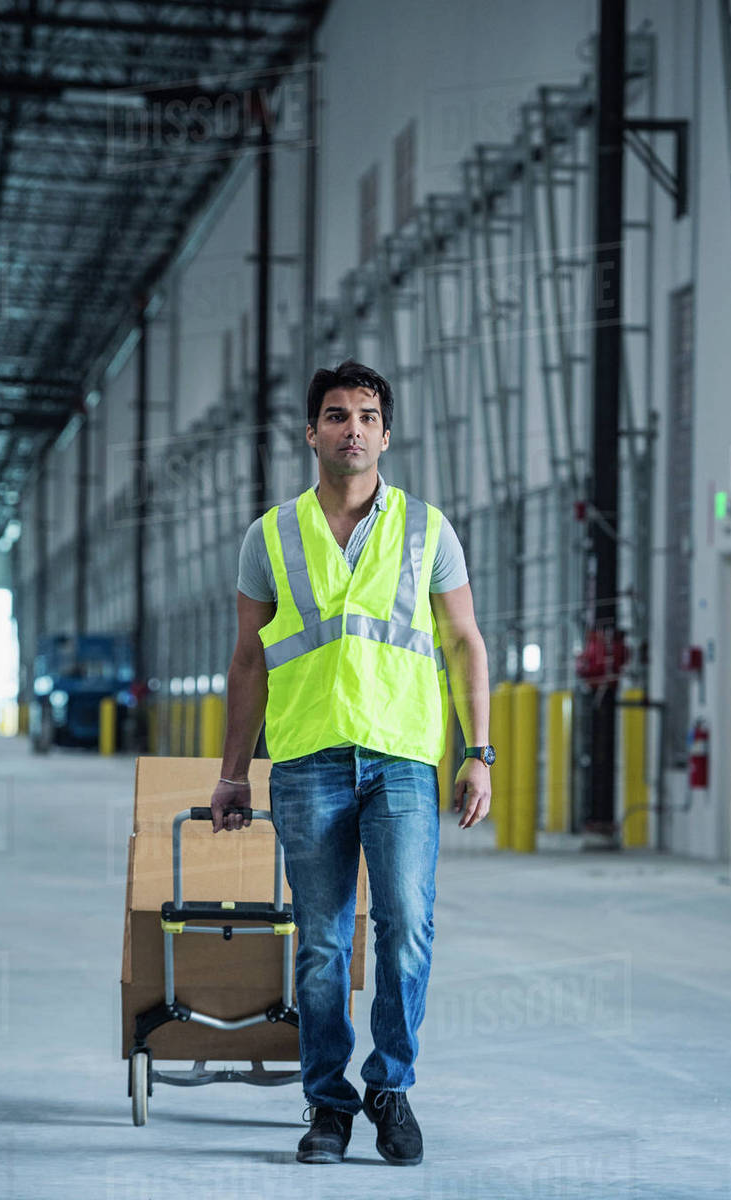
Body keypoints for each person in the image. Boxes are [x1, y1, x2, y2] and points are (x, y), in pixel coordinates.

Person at [210, 359, 494, 1167]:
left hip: (403, 757)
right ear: (312, 433)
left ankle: (390, 1087)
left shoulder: (427, 528)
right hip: (306, 760)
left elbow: (465, 640)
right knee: (324, 942)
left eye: (367, 415)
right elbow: (247, 662)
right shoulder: (269, 535)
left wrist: (479, 753)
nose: (353, 428)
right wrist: (234, 772)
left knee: (407, 924)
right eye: (336, 415)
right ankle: (327, 1107)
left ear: (387, 434)